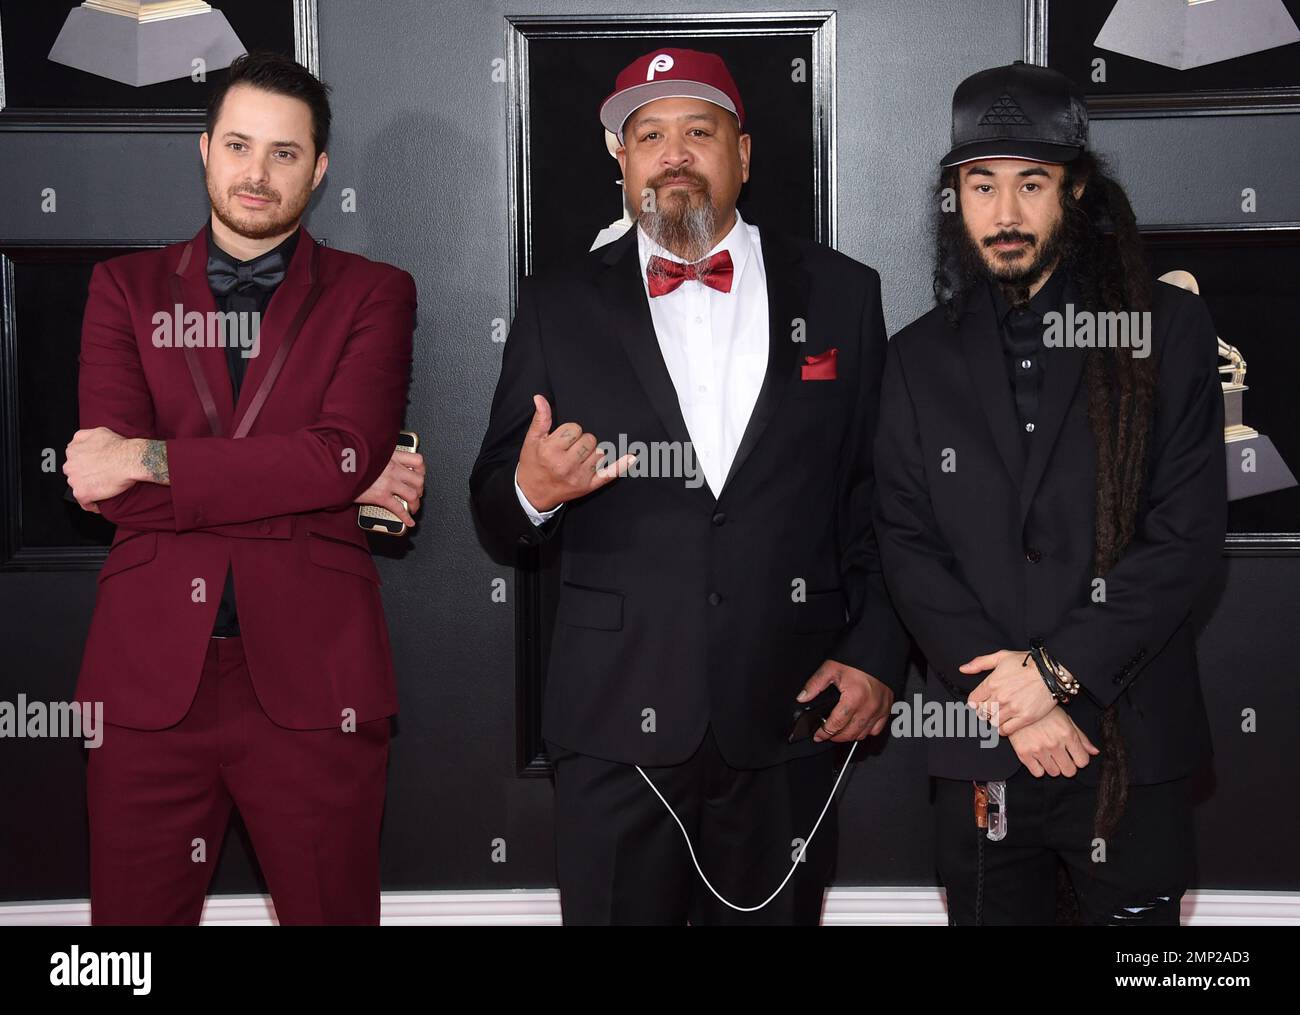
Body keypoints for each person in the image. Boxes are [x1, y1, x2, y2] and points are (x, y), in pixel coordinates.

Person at [471, 47, 908, 924]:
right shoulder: (556, 301)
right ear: (621, 161)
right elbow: (493, 503)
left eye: (698, 132)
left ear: (742, 153)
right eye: (650, 135)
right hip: (611, 722)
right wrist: (532, 487)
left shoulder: (844, 293)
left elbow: (882, 500)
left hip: (787, 713)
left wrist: (877, 654)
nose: (674, 153)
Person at [63, 51, 423, 925]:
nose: (256, 173)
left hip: (318, 683)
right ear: (205, 150)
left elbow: (340, 450)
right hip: (148, 684)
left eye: (284, 153)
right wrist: (331, 478)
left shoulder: (376, 293)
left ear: (320, 169)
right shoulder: (124, 289)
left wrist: (153, 459)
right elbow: (104, 489)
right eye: (238, 145)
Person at [872, 61, 1225, 925]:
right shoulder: (916, 357)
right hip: (982, 749)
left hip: (1131, 738)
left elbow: (1184, 537)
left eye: (1032, 183)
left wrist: (1059, 673)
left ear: (1075, 193)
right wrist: (1018, 706)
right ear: (955, 198)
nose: (1006, 211)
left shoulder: (1165, 329)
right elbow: (906, 545)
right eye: (981, 184)